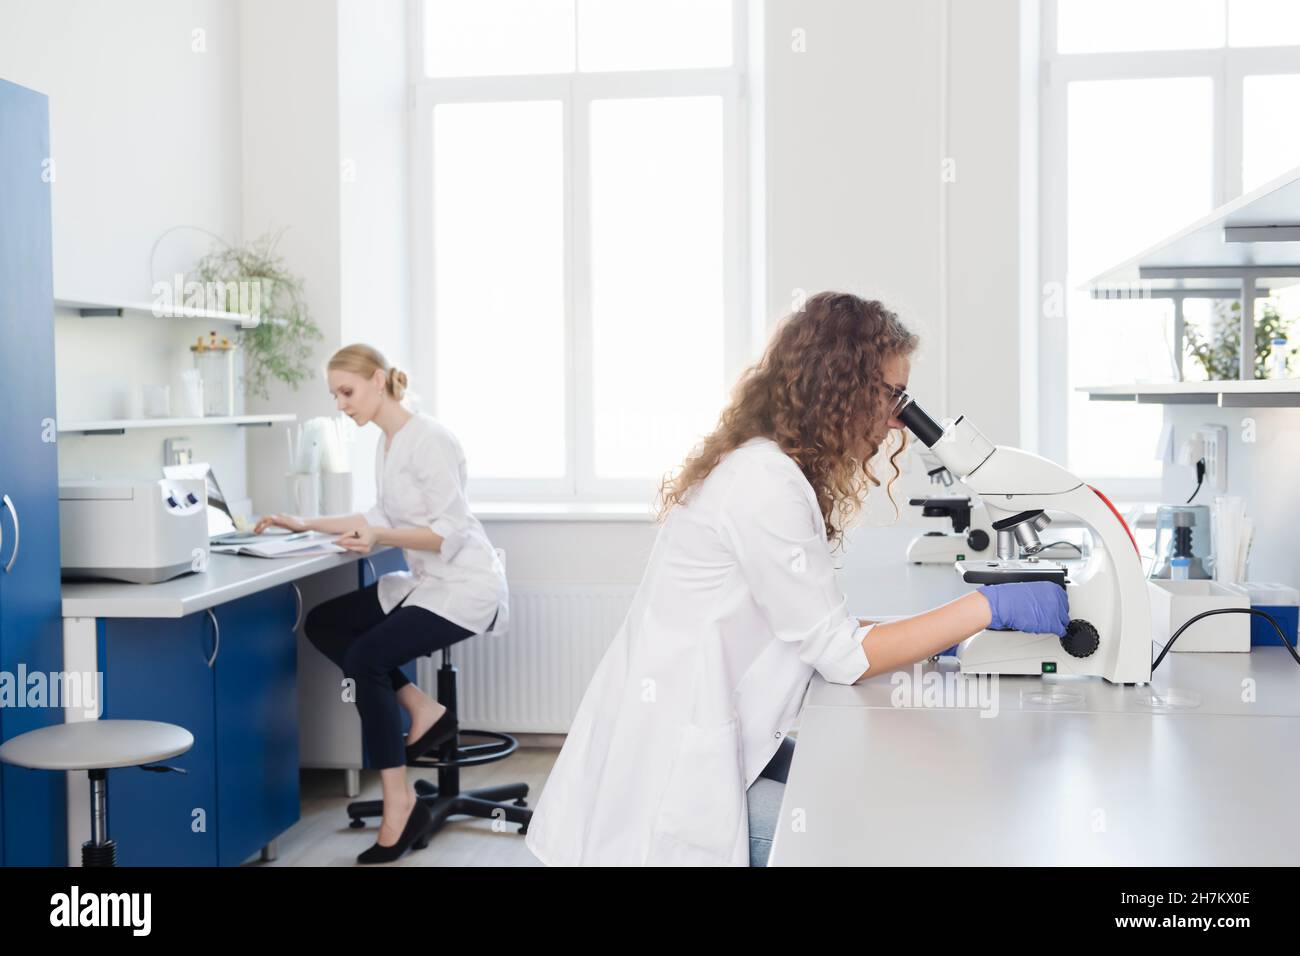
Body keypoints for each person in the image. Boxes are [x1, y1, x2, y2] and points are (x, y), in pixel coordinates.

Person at [523, 292, 1067, 867]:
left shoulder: (765, 467)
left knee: (863, 792)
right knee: (849, 835)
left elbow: (815, 628)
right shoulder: (764, 482)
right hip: (671, 784)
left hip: (707, 743)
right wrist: (985, 608)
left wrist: (946, 634)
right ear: (840, 384)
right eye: (891, 397)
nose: (895, 420)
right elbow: (842, 655)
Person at [254, 343, 508, 864]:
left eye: (346, 392)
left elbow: (447, 533)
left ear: (377, 379)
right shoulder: (388, 443)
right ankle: (420, 706)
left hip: (464, 584)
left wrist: (375, 538)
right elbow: (375, 514)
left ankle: (400, 802)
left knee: (367, 658)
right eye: (335, 396)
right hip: (425, 581)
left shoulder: (428, 438)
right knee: (326, 623)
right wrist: (303, 523)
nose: (341, 405)